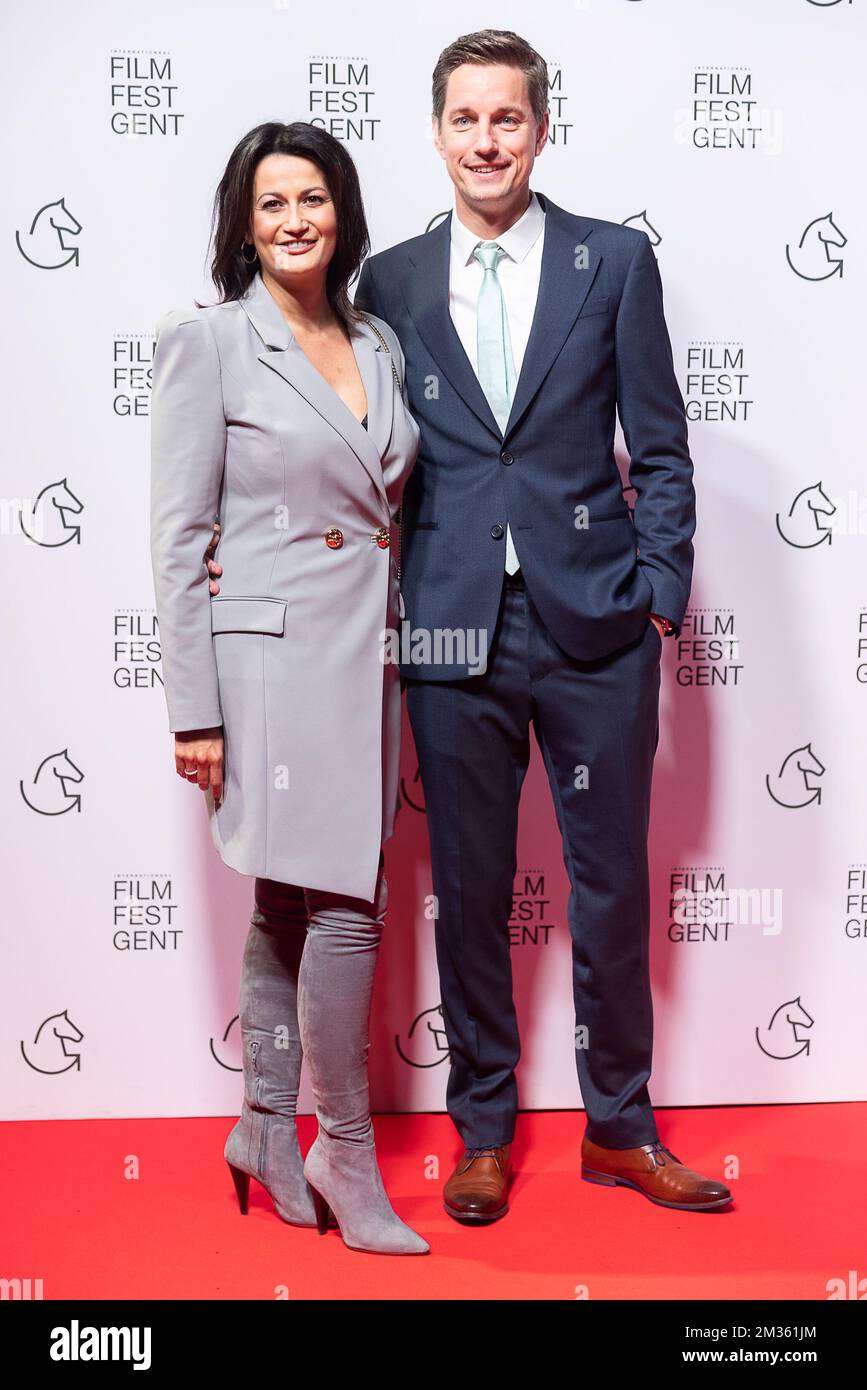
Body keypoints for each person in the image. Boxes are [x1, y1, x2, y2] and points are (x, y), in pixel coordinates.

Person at [209, 32, 733, 1224]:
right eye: (465, 120)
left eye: (508, 119)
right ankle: (483, 1130)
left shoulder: (614, 262)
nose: (486, 141)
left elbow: (661, 447)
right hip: (448, 635)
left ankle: (621, 1125)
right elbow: (333, 428)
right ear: (436, 132)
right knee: (475, 891)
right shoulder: (386, 281)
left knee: (608, 890)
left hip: (595, 622)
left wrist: (657, 597)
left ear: (539, 129)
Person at [149, 120, 427, 1255]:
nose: (295, 219)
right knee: (348, 902)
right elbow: (178, 537)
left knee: (287, 901)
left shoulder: (379, 340)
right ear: (244, 222)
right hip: (267, 668)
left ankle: (266, 1124)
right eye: (271, 203)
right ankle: (343, 1149)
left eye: (311, 196)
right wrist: (194, 707)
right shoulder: (210, 341)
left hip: (370, 655)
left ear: (340, 209)